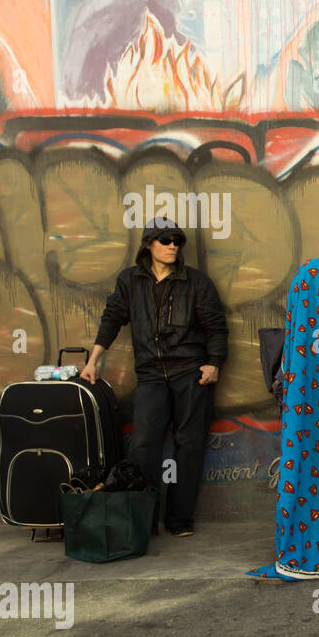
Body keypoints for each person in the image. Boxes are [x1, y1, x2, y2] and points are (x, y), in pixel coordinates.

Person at [81, 218, 228, 538]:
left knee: (189, 446)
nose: (173, 245)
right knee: (143, 444)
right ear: (148, 244)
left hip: (190, 373)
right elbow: (112, 319)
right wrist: (92, 361)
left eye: (177, 240)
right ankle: (142, 520)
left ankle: (179, 520)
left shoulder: (196, 282)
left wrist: (213, 363)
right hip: (150, 375)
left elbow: (215, 327)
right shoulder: (129, 281)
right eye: (166, 240)